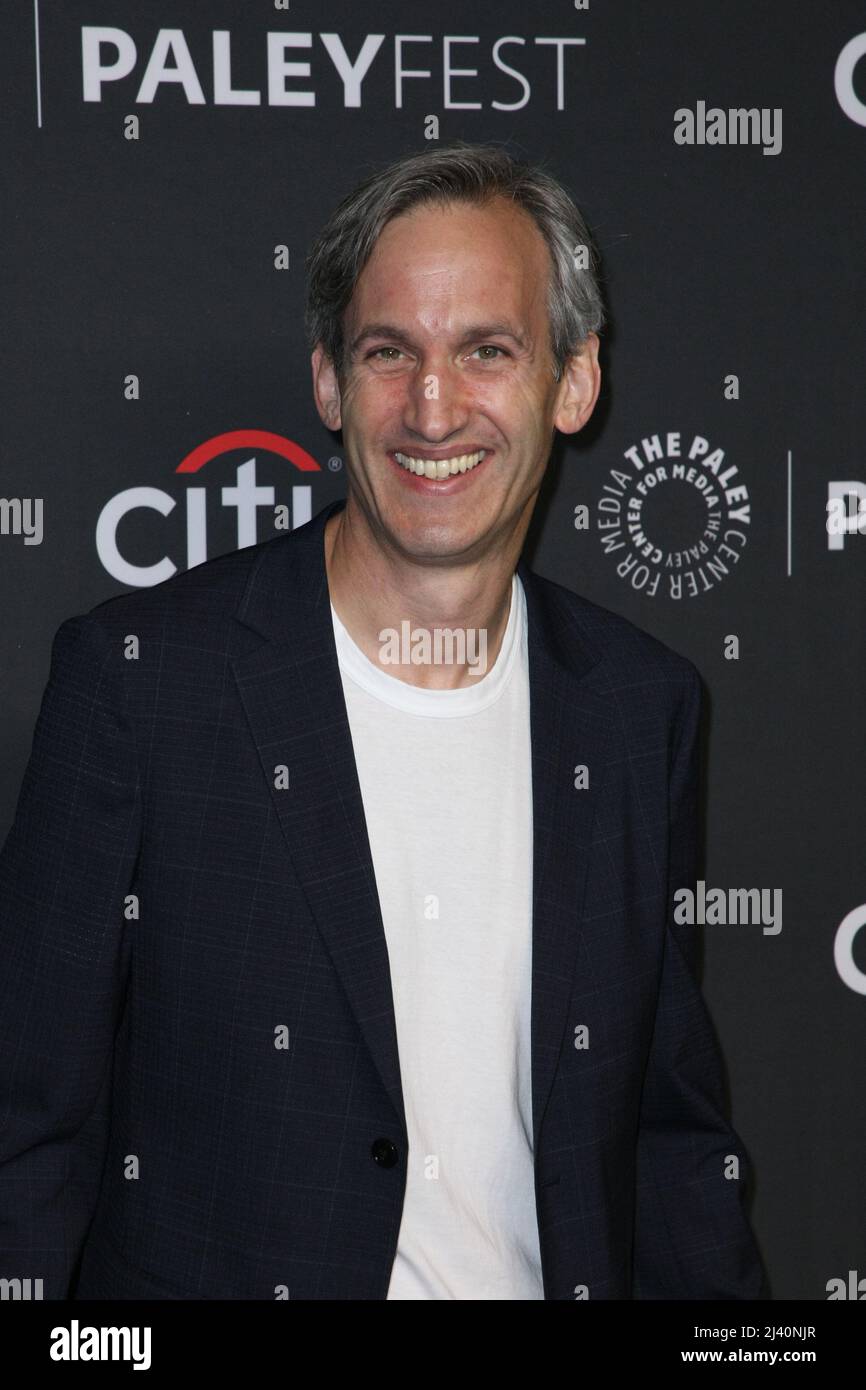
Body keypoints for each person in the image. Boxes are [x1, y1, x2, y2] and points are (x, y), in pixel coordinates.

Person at [0, 142, 767, 1300]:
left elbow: (664, 1136)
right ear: (326, 381)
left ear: (573, 382)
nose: (430, 405)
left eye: (486, 351)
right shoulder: (141, 683)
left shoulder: (632, 707)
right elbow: (26, 1131)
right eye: (386, 352)